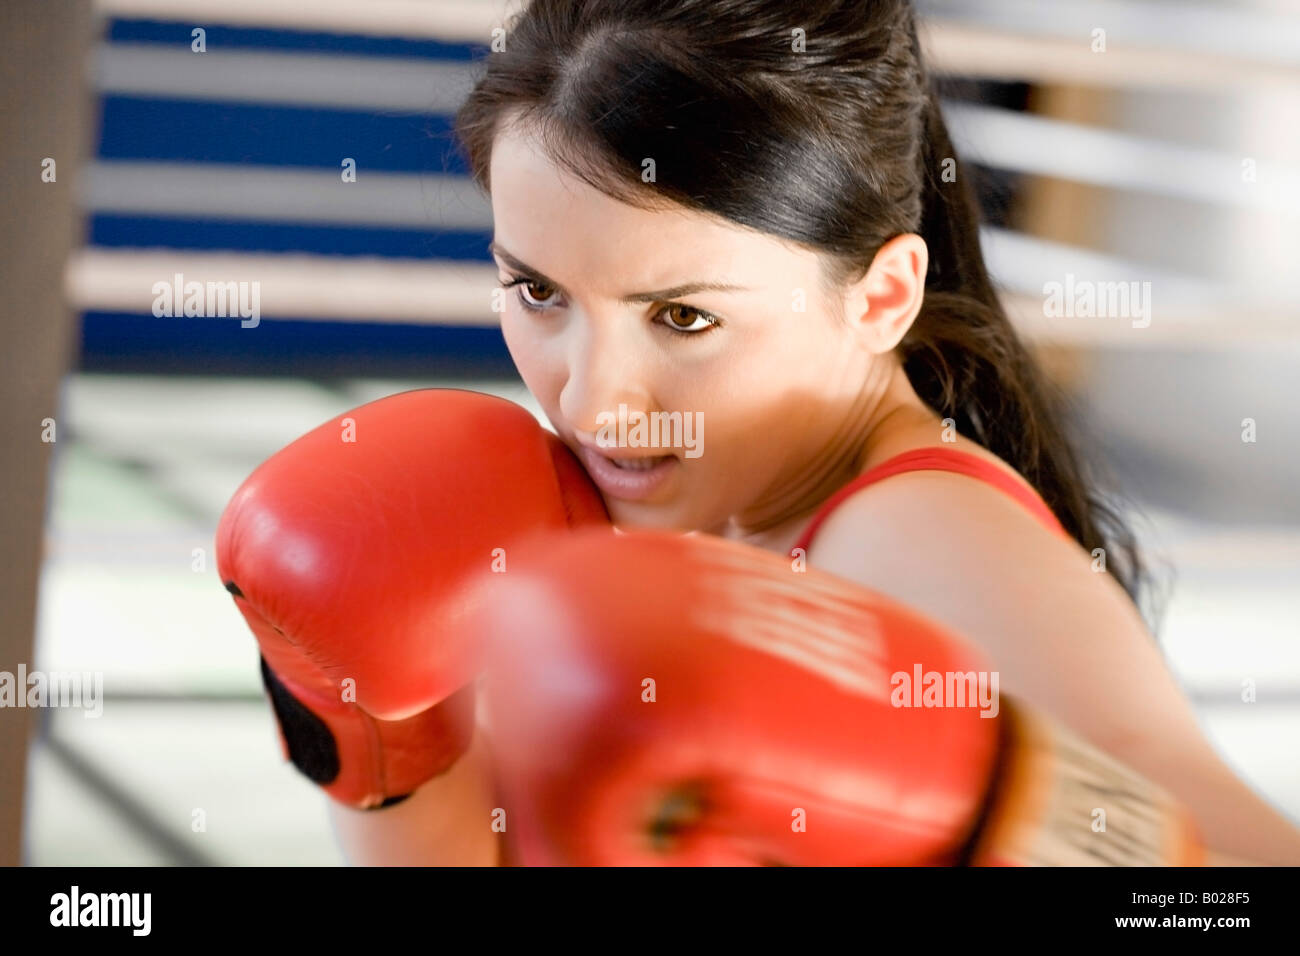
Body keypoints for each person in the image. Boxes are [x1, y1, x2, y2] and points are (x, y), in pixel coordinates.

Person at [323, 0, 1300, 864]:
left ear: (880, 296)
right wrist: (375, 740)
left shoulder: (917, 538)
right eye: (537, 291)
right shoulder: (726, 504)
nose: (590, 402)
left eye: (683, 316)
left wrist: (989, 826)